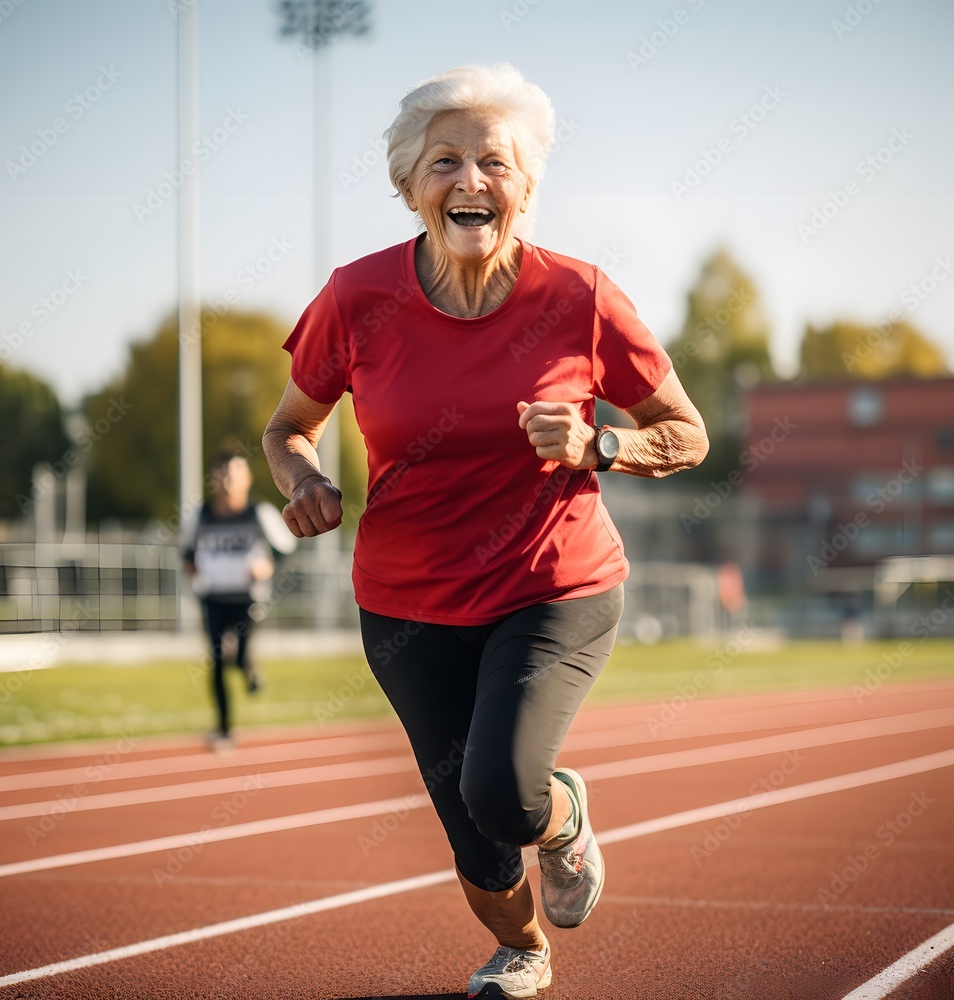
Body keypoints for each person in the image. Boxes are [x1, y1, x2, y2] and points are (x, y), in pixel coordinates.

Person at [263, 64, 708, 998]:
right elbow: (287, 427)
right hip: (405, 604)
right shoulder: (356, 297)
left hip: (555, 585)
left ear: (526, 187)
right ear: (409, 186)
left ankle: (560, 814)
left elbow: (687, 431)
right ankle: (523, 950)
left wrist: (601, 443)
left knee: (503, 790)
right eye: (445, 162)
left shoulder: (581, 296)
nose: (471, 181)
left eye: (493, 163)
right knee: (471, 827)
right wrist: (303, 478)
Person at [180, 451, 296, 750]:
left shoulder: (259, 513)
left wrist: (266, 567)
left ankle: (247, 668)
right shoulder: (202, 514)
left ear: (247, 477)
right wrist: (199, 582)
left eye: (236, 473)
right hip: (215, 597)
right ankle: (224, 729)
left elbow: (285, 549)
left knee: (240, 654)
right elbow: (187, 554)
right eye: (224, 474)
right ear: (214, 479)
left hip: (248, 599)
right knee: (218, 660)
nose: (230, 480)